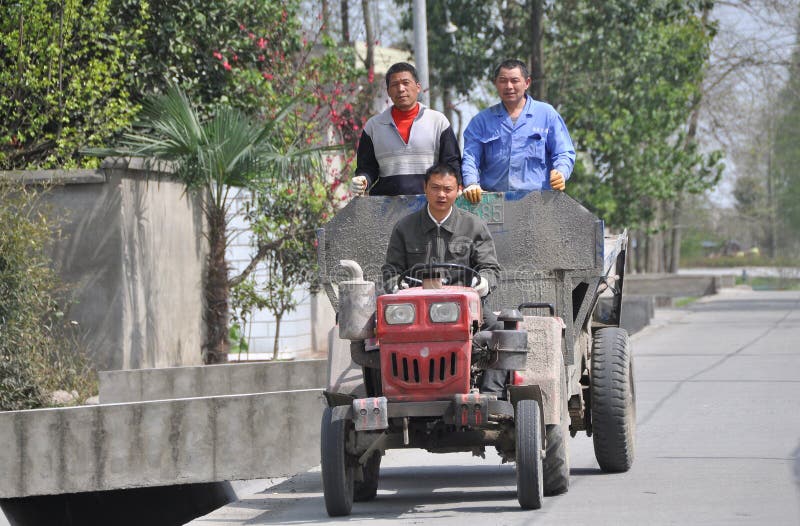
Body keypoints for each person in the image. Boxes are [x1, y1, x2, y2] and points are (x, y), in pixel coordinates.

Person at [382, 163, 507, 395]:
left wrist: (482, 284)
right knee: (376, 331)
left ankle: (491, 393)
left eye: (447, 189)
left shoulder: (473, 226)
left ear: (458, 190)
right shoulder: (404, 228)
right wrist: (398, 287)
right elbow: (390, 270)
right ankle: (392, 389)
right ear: (425, 189)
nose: (441, 194)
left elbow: (490, 268)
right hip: (414, 313)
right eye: (435, 188)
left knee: (501, 331)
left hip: (466, 310)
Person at [461, 59, 576, 204]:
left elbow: (564, 152)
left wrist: (561, 172)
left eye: (515, 80)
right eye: (503, 81)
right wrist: (471, 183)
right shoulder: (481, 121)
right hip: (493, 205)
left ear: (526, 83)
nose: (509, 86)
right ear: (495, 83)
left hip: (539, 204)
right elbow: (470, 157)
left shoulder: (546, 114)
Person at [351, 62, 461, 196]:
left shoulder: (438, 121)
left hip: (430, 206)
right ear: (388, 91)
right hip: (386, 209)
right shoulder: (373, 126)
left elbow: (451, 164)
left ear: (418, 87)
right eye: (395, 85)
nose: (401, 89)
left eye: (405, 82)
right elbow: (367, 168)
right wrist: (363, 179)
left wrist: (456, 188)